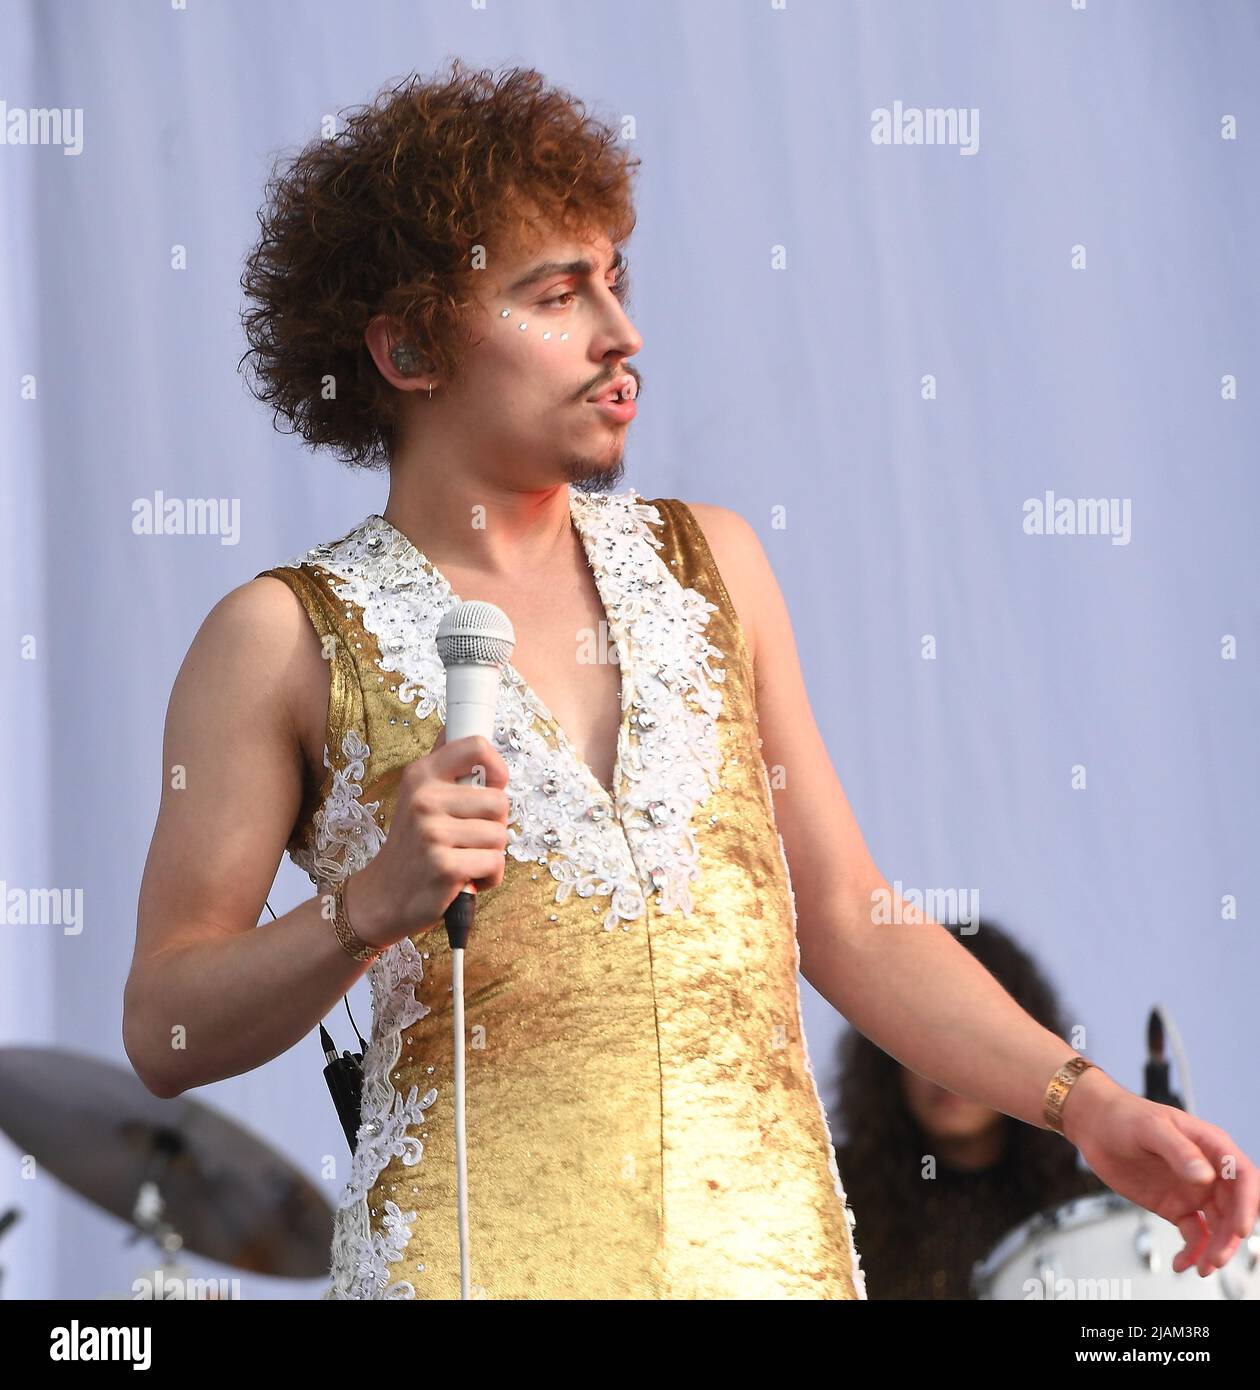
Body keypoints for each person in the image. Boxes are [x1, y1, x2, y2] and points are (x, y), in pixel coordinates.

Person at [123, 60, 1258, 1301]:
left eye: (616, 278)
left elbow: (849, 920)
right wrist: (368, 907)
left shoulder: (713, 565)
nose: (622, 334)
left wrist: (1086, 1107)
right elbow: (163, 1028)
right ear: (404, 346)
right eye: (558, 295)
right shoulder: (282, 636)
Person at [832, 921, 1106, 1298]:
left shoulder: (1088, 1213)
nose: (946, 1073)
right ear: (886, 1054)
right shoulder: (832, 1196)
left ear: (1024, 1051)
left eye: (971, 1047)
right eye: (923, 1041)